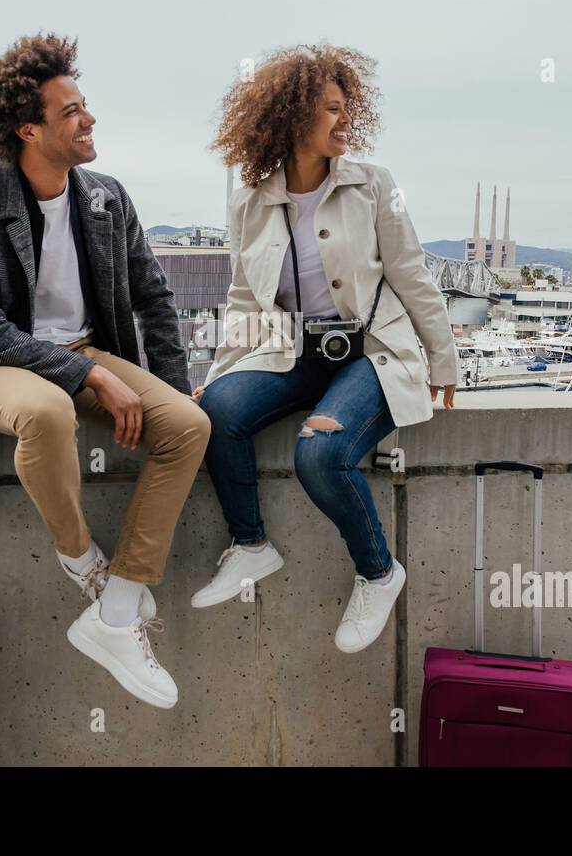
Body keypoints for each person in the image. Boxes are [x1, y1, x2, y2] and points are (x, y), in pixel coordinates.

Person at [0, 33, 210, 709]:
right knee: (47, 412)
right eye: (72, 112)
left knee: (188, 425)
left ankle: (118, 608)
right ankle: (84, 563)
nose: (89, 119)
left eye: (85, 106)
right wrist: (91, 378)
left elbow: (154, 299)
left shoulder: (106, 198)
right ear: (29, 130)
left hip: (86, 350)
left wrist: (165, 376)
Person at [192, 44, 459, 653]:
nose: (346, 122)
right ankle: (251, 547)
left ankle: (379, 572)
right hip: (294, 355)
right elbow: (243, 299)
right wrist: (219, 373)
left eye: (347, 109)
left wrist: (444, 362)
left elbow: (413, 275)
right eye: (330, 111)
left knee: (321, 452)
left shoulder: (373, 186)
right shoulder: (251, 200)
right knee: (216, 414)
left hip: (369, 353)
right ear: (290, 119)